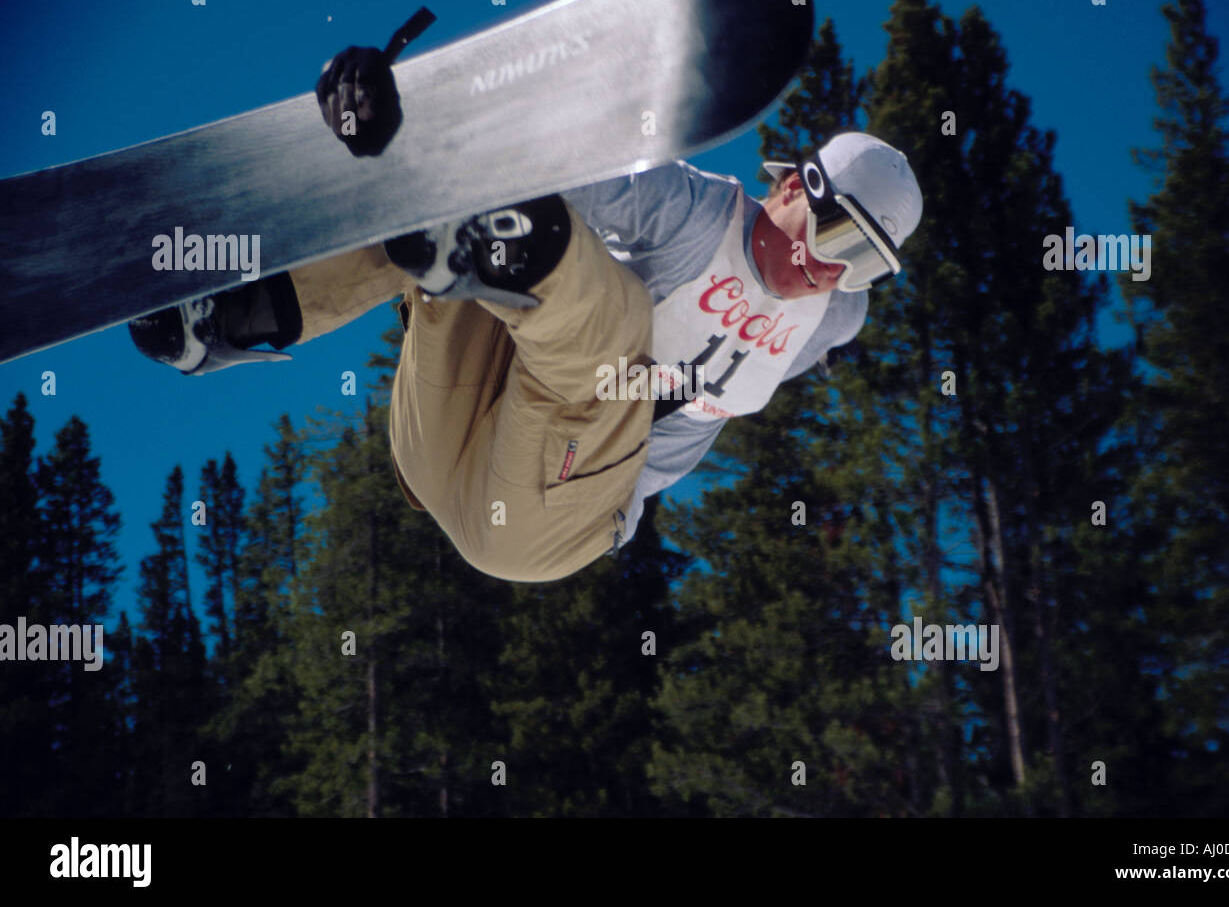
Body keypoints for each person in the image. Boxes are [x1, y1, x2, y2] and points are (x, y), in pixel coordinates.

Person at [130, 43, 924, 582]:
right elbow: (556, 157)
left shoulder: (832, 317)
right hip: (448, 433)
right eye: (835, 232)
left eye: (861, 263)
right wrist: (401, 115)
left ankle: (490, 244)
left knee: (609, 345)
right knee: (478, 213)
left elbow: (843, 316)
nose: (826, 267)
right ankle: (234, 313)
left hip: (548, 519)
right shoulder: (688, 213)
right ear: (792, 187)